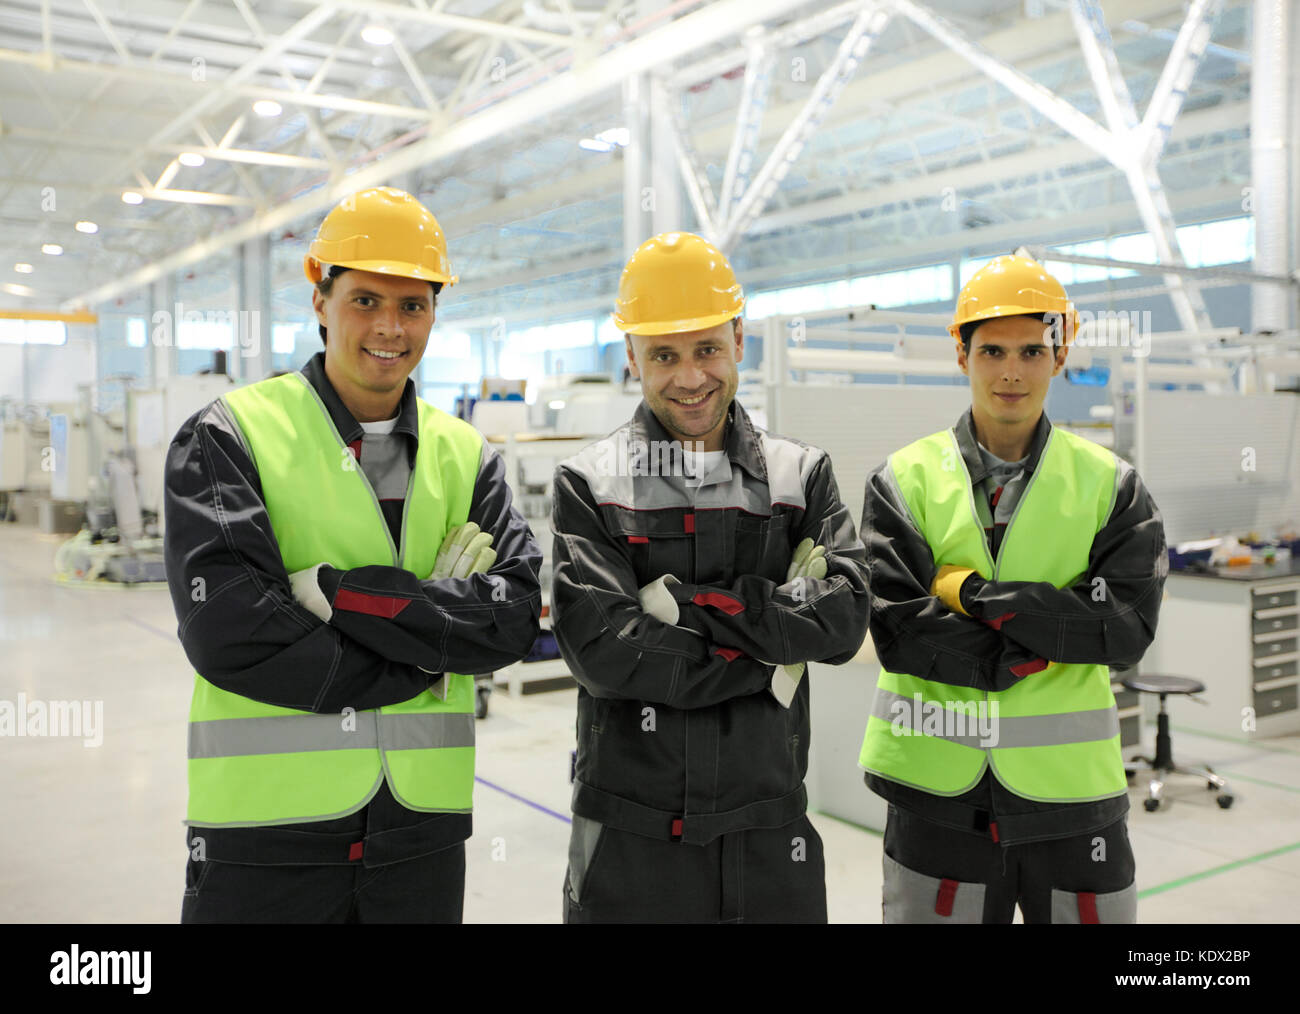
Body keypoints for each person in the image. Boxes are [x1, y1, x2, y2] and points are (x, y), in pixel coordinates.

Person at [164, 186, 542, 923]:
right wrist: (432, 648)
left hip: (421, 831)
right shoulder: (228, 435)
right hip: (266, 831)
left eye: (413, 306)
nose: (389, 328)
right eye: (366, 300)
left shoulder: (466, 456)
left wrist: (336, 594)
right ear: (320, 297)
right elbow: (232, 632)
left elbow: (516, 618)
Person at [550, 231, 871, 923]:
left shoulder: (800, 475)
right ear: (633, 356)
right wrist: (769, 657)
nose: (690, 376)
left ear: (739, 341)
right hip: (628, 837)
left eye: (706, 350)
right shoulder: (589, 482)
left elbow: (844, 623)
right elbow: (607, 655)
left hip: (770, 829)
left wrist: (683, 607)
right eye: (664, 355)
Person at [857, 253, 1167, 924]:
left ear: (1061, 354)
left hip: (1074, 799)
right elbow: (902, 636)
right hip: (934, 794)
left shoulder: (1113, 486)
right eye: (992, 349)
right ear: (960, 352)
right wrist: (1051, 633)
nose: (1010, 372)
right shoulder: (901, 482)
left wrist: (969, 595)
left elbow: (1123, 631)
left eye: (1032, 350)